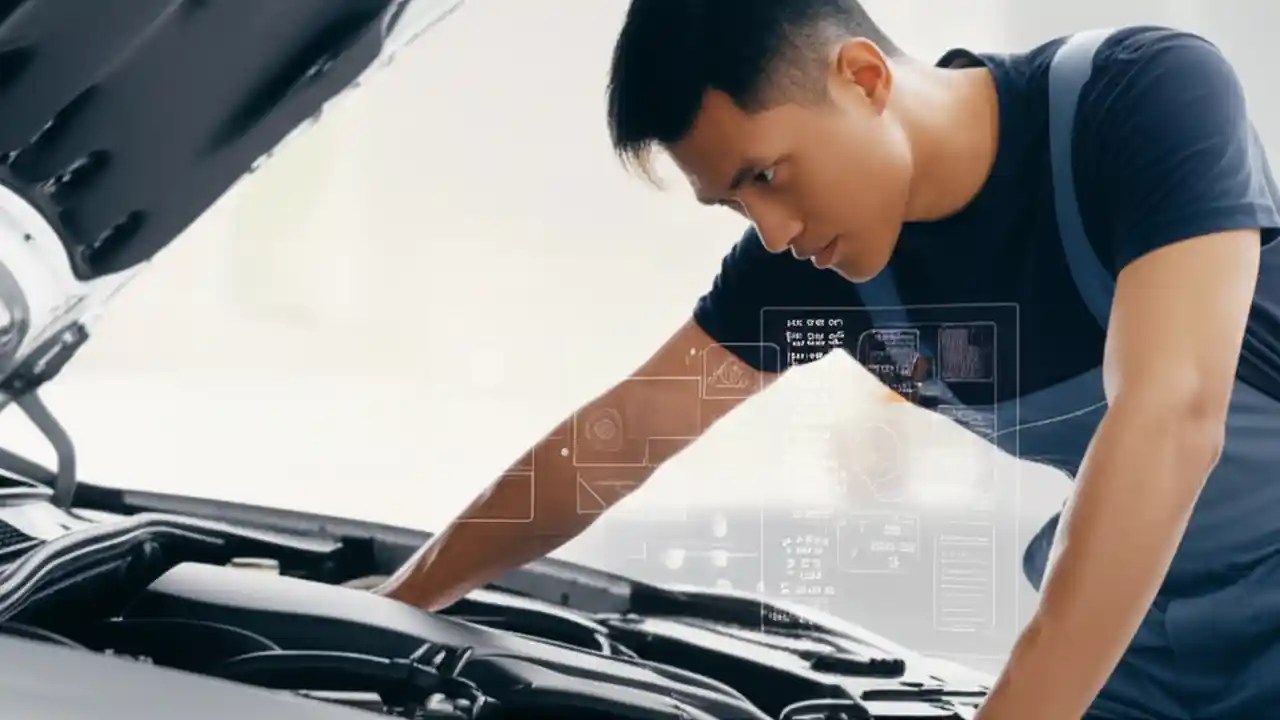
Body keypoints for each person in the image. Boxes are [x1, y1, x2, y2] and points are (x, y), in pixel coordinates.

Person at [376, 1, 1280, 717]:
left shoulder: (1140, 100)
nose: (772, 231)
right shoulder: (815, 272)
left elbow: (1170, 421)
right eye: (735, 205)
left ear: (863, 77)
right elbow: (617, 441)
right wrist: (398, 601)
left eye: (766, 175)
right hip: (1150, 637)